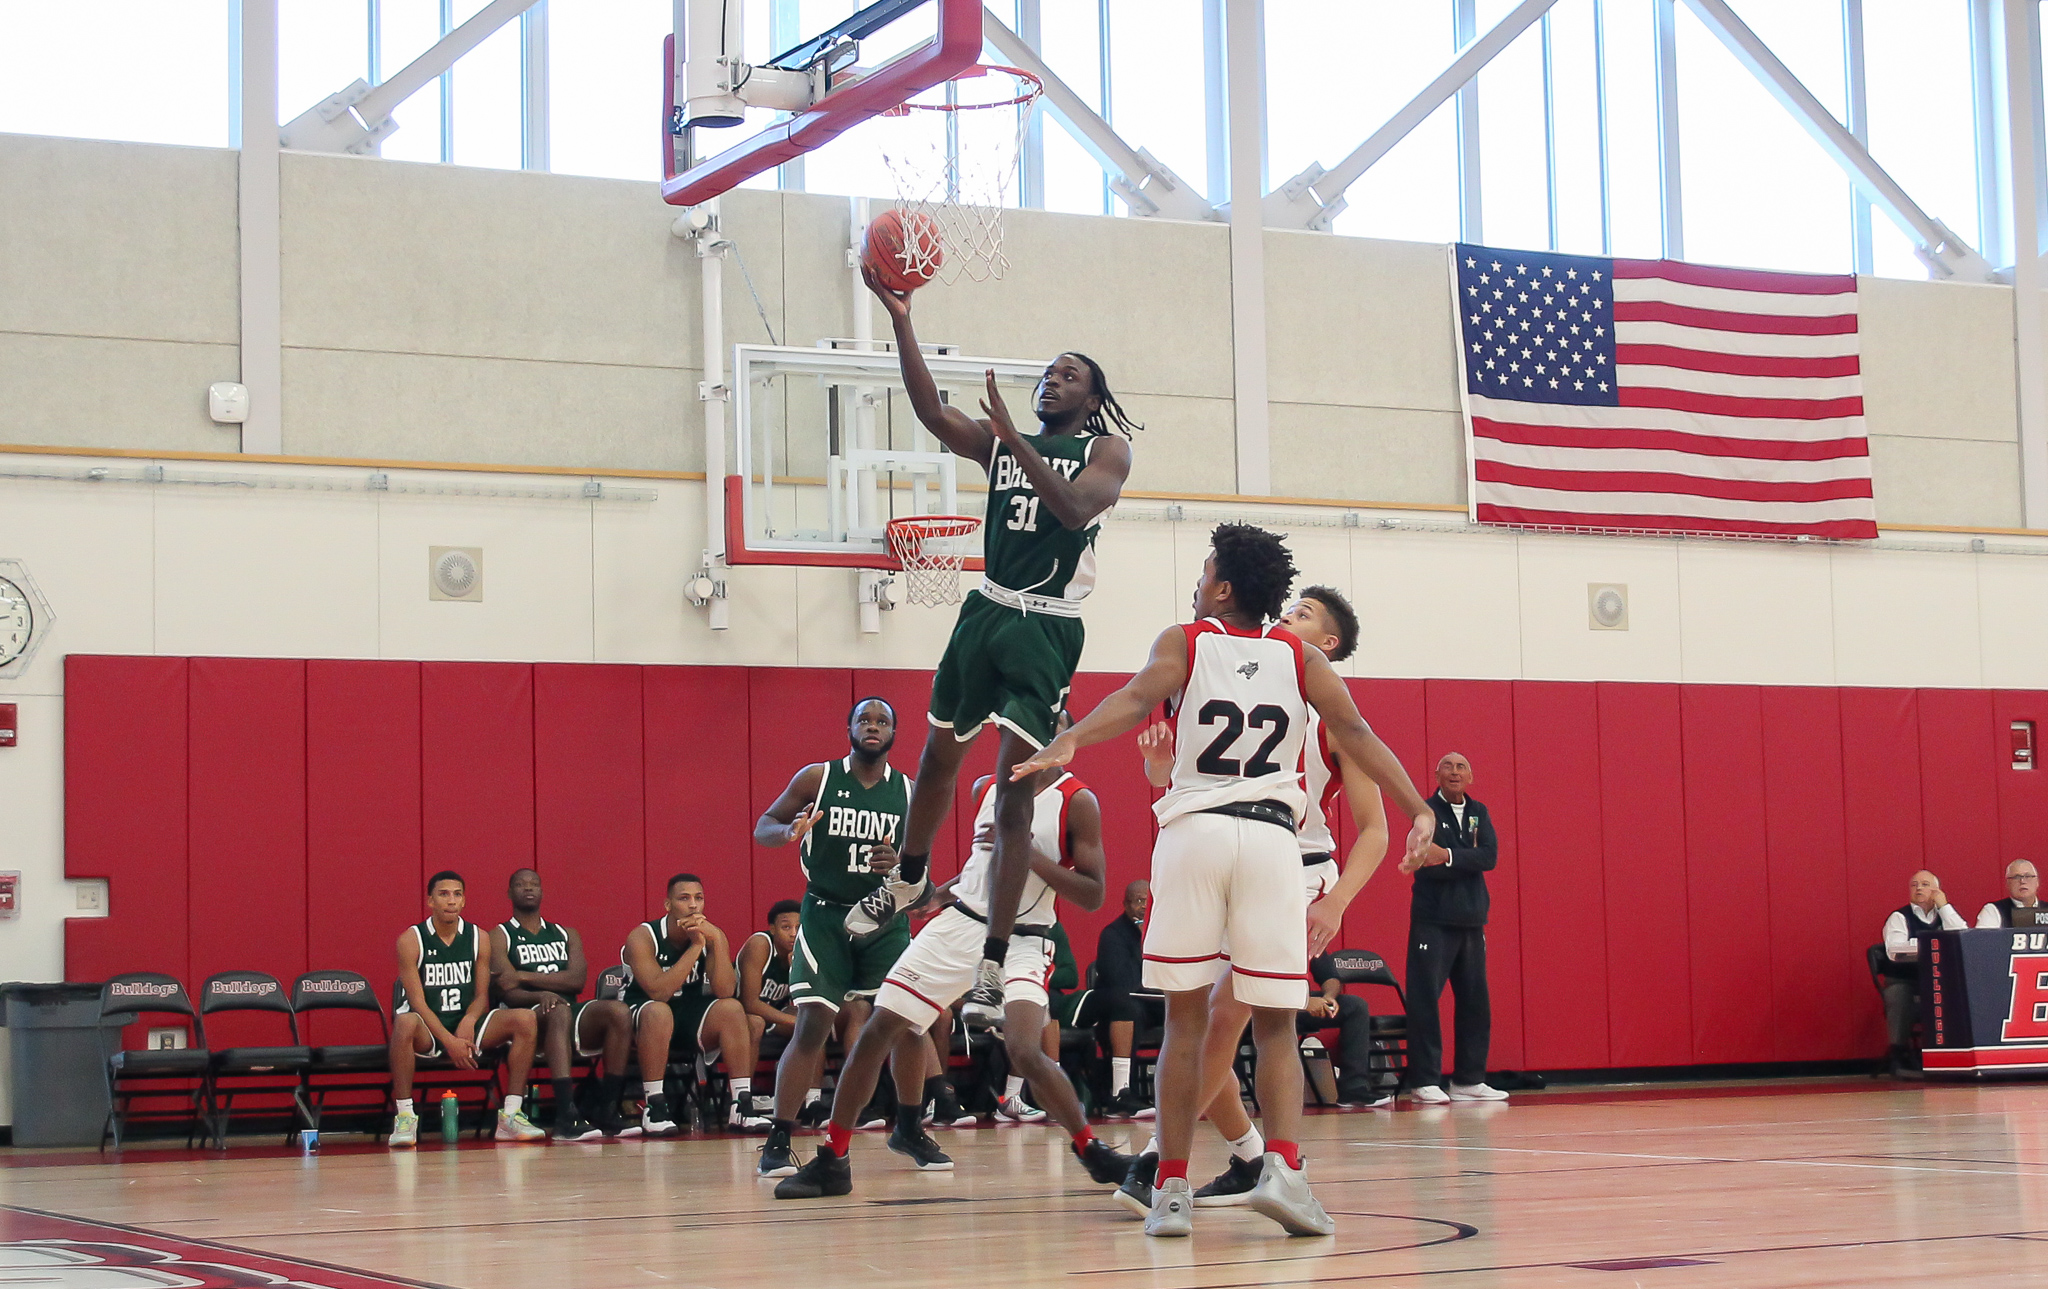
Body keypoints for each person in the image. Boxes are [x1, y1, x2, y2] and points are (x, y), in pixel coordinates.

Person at [1013, 523, 1436, 1238]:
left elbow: (1133, 696)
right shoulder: (1301, 659)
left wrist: (1071, 737)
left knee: (1186, 1022)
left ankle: (1170, 1189)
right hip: (1273, 842)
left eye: (1206, 568)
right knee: (1275, 1025)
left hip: (1193, 836)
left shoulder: (1185, 639)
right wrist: (1419, 805)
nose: (1198, 577)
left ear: (1224, 586)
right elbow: (1360, 732)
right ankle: (1283, 1171)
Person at [843, 267, 1139, 1030]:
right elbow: (928, 407)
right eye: (1046, 372)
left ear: (1091, 396)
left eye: (1068, 374)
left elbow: (1074, 513)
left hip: (1046, 627)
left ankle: (993, 960)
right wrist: (902, 320)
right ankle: (909, 878)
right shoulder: (1004, 446)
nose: (1052, 379)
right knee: (939, 756)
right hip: (987, 611)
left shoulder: (1106, 450)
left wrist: (1015, 440)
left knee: (1012, 800)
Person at [774, 723, 1136, 1200]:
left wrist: (1031, 857)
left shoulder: (1078, 801)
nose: (1042, 740)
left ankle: (1091, 1150)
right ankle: (833, 1159)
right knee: (880, 1026)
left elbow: (1094, 895)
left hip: (1025, 937)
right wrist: (931, 898)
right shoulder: (989, 786)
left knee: (1026, 1050)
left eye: (1055, 732)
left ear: (1067, 740)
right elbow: (977, 872)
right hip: (960, 923)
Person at [1134, 585, 1393, 1206]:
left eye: (1302, 616)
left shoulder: (1332, 718)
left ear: (1328, 646)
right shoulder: (1230, 680)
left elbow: (1377, 832)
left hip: (1297, 870)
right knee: (1202, 1017)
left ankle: (1154, 1163)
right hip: (1233, 854)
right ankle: (1248, 1156)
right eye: (1286, 609)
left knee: (1225, 1017)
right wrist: (1157, 772)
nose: (1285, 618)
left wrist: (1336, 903)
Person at [753, 699, 941, 1176]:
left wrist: (900, 868)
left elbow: (923, 888)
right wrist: (789, 831)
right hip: (826, 915)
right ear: (850, 728)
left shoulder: (909, 793)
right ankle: (778, 1137)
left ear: (896, 732)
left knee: (909, 1023)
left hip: (884, 916)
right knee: (813, 1023)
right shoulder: (817, 779)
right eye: (864, 719)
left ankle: (910, 1126)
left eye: (882, 721)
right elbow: (763, 827)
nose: (873, 727)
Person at [388, 870, 547, 1147]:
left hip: (466, 1022)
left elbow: (481, 994)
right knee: (404, 1022)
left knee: (525, 1018)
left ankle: (510, 1114)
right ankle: (404, 1116)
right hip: (428, 1025)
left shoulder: (479, 938)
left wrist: (470, 1019)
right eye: (444, 894)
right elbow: (417, 1003)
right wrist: (450, 1041)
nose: (451, 901)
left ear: (464, 901)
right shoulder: (411, 940)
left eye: (457, 894)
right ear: (430, 901)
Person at [488, 867, 633, 1139]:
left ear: (542, 891)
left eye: (534, 884)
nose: (528, 888)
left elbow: (577, 980)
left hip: (567, 1011)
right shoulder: (499, 935)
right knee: (557, 1010)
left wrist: (524, 974)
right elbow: (508, 990)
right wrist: (540, 993)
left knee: (619, 1011)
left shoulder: (567, 934)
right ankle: (566, 1114)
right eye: (521, 884)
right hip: (526, 1017)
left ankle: (608, 1108)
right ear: (509, 893)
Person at [621, 873, 764, 1135]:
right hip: (642, 1014)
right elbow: (659, 991)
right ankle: (654, 1105)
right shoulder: (644, 936)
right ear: (668, 905)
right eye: (684, 898)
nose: (693, 905)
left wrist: (718, 941)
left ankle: (741, 1105)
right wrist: (696, 947)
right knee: (659, 1011)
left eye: (699, 898)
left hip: (687, 1013)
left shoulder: (710, 935)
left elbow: (725, 990)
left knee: (732, 1009)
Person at [1402, 752, 1505, 1104]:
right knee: (1425, 1001)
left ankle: (1468, 1079)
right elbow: (1422, 861)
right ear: (1437, 774)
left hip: (1473, 920)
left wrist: (1447, 855)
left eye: (1462, 766)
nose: (1455, 772)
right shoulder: (1426, 813)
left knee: (1476, 1002)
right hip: (1433, 921)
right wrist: (1455, 859)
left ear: (1471, 776)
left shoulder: (1480, 813)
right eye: (1448, 766)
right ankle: (1425, 1080)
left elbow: (1489, 856)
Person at [1880, 870, 1968, 1075]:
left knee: (1963, 991)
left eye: (1925, 884)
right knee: (1897, 994)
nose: (1919, 888)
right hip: (1908, 981)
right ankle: (1898, 1052)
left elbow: (1963, 937)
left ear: (1937, 890)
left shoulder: (1944, 916)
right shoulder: (1899, 917)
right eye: (1914, 885)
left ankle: (1956, 1052)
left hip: (1941, 981)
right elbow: (1895, 950)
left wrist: (1944, 907)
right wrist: (1934, 945)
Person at [1093, 881, 1157, 1119]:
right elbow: (1121, 980)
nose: (1143, 907)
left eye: (1147, 901)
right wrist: (1141, 944)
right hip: (1122, 1003)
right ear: (1126, 904)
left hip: (1154, 1002)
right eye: (1138, 901)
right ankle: (1121, 1093)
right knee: (1127, 1007)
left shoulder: (1160, 930)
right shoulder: (1113, 934)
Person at [737, 900, 803, 1099]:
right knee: (756, 1023)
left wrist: (797, 972)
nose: (793, 933)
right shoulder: (760, 944)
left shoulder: (803, 951)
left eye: (798, 927)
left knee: (813, 1022)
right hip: (739, 1017)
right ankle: (743, 1098)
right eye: (786, 927)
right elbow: (750, 1003)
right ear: (773, 929)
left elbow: (805, 1002)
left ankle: (811, 1100)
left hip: (773, 1015)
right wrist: (793, 1021)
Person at [1976, 860, 2041, 927]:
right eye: (2016, 877)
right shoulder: (1993, 911)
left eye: (2028, 876)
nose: (2022, 881)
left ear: (2037, 882)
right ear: (2007, 883)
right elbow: (1983, 937)